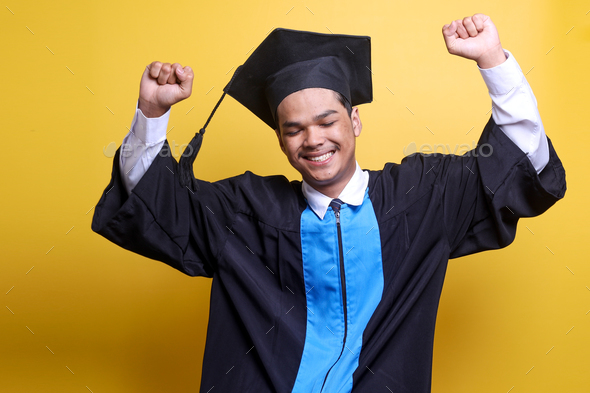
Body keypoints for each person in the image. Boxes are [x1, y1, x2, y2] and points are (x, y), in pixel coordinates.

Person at [92, 14, 566, 393]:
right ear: (280, 139)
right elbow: (153, 204)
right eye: (293, 129)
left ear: (354, 120)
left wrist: (493, 62)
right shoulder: (245, 212)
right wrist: (151, 115)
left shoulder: (424, 197)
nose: (312, 140)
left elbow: (520, 161)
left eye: (327, 121)